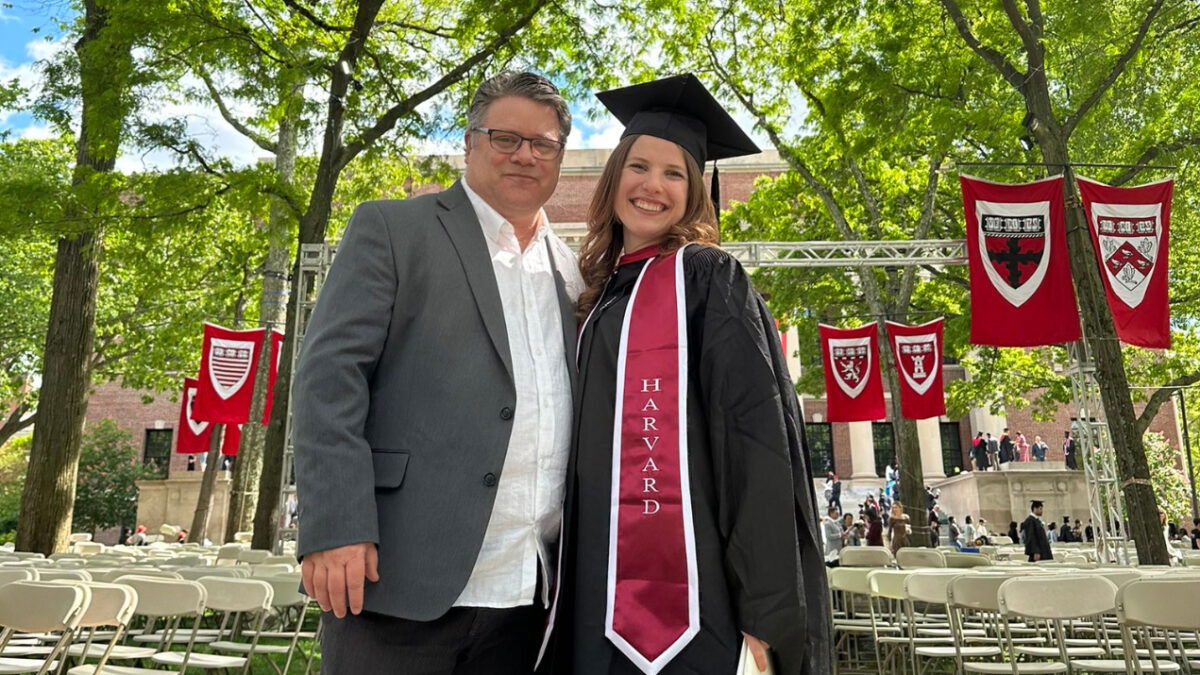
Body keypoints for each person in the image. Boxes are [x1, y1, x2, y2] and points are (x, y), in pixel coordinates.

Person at [292, 72, 582, 673]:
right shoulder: (394, 230)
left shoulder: (573, 272)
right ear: (470, 143)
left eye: (542, 143)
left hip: (532, 593)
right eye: (505, 138)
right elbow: (329, 381)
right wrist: (335, 526)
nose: (524, 155)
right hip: (396, 579)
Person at [543, 74, 831, 675]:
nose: (653, 186)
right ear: (613, 178)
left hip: (695, 600)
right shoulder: (598, 293)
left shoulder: (706, 279)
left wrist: (766, 611)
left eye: (674, 173)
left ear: (696, 191)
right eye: (639, 166)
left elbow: (756, 443)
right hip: (594, 579)